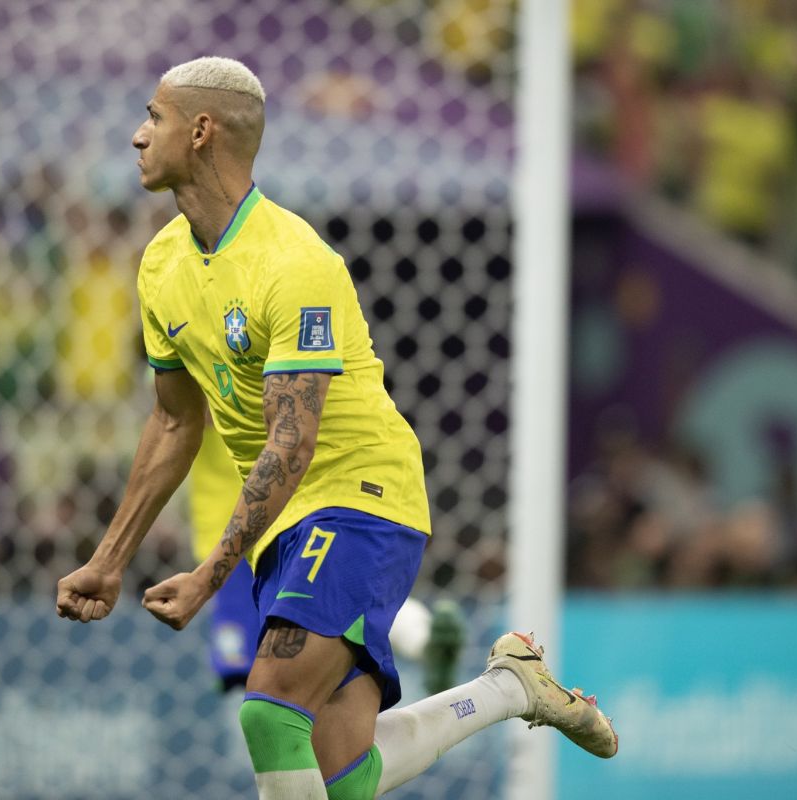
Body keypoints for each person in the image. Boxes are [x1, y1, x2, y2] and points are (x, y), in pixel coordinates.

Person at [57, 56, 617, 799]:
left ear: (200, 132)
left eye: (154, 117)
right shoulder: (161, 264)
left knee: (268, 711)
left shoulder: (294, 262)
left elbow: (291, 443)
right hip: (282, 527)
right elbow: (173, 419)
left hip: (361, 496)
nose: (137, 135)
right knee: (345, 777)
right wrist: (110, 559)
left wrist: (208, 576)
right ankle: (509, 687)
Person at [188, 414, 467, 695]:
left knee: (260, 671)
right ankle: (422, 639)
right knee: (335, 612)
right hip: (297, 521)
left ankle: (422, 641)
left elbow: (192, 409)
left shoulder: (218, 390)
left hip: (239, 540)